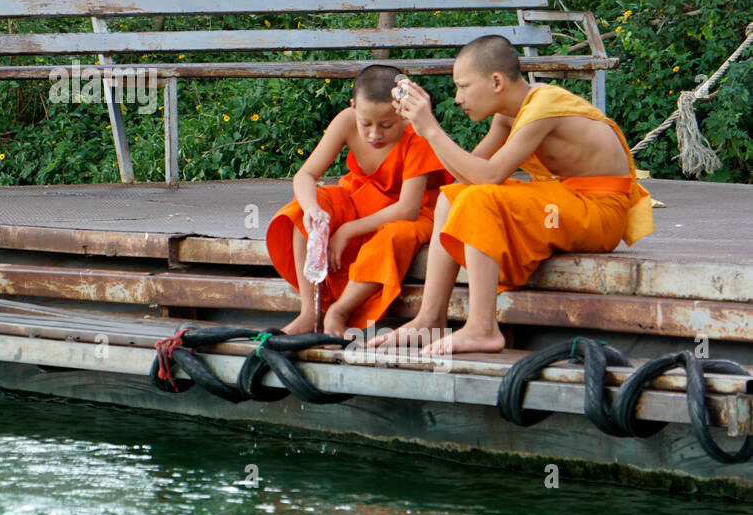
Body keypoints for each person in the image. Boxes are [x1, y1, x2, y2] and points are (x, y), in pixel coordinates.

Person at [367, 35, 655, 355]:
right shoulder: (508, 116)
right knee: (454, 196)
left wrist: (432, 129)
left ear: (496, 81)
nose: (458, 98)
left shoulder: (543, 107)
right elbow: (467, 175)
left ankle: (483, 328)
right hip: (564, 198)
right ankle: (429, 320)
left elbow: (489, 177)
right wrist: (423, 129)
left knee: (478, 199)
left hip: (600, 211)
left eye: (463, 86)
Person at [265, 64, 450, 337]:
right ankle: (309, 312)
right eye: (366, 124)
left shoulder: (417, 135)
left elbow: (408, 209)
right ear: (354, 107)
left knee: (395, 235)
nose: (375, 134)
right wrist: (312, 209)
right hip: (360, 196)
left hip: (411, 211)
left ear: (403, 112)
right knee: (301, 211)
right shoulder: (346, 120)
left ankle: (339, 311)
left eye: (386, 125)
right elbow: (306, 175)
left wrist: (348, 229)